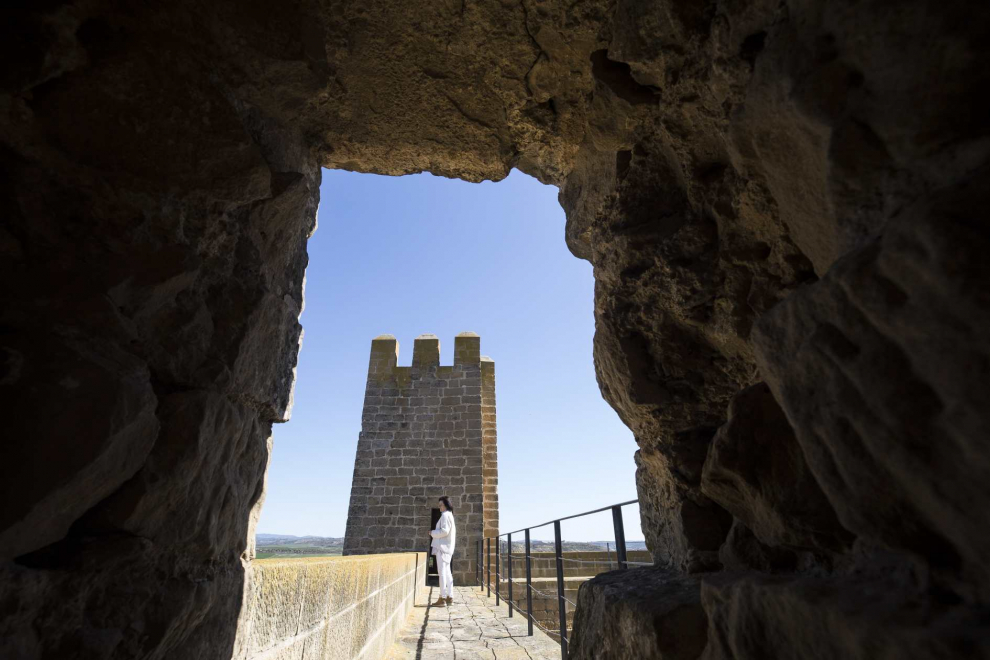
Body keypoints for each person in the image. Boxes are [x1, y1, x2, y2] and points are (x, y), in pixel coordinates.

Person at [430, 496, 457, 606]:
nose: (439, 507)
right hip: (447, 548)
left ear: (445, 505)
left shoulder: (445, 516)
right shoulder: (450, 515)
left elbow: (445, 531)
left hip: (443, 548)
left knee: (442, 573)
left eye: (440, 505)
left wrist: (432, 533)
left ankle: (442, 598)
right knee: (447, 573)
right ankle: (450, 596)